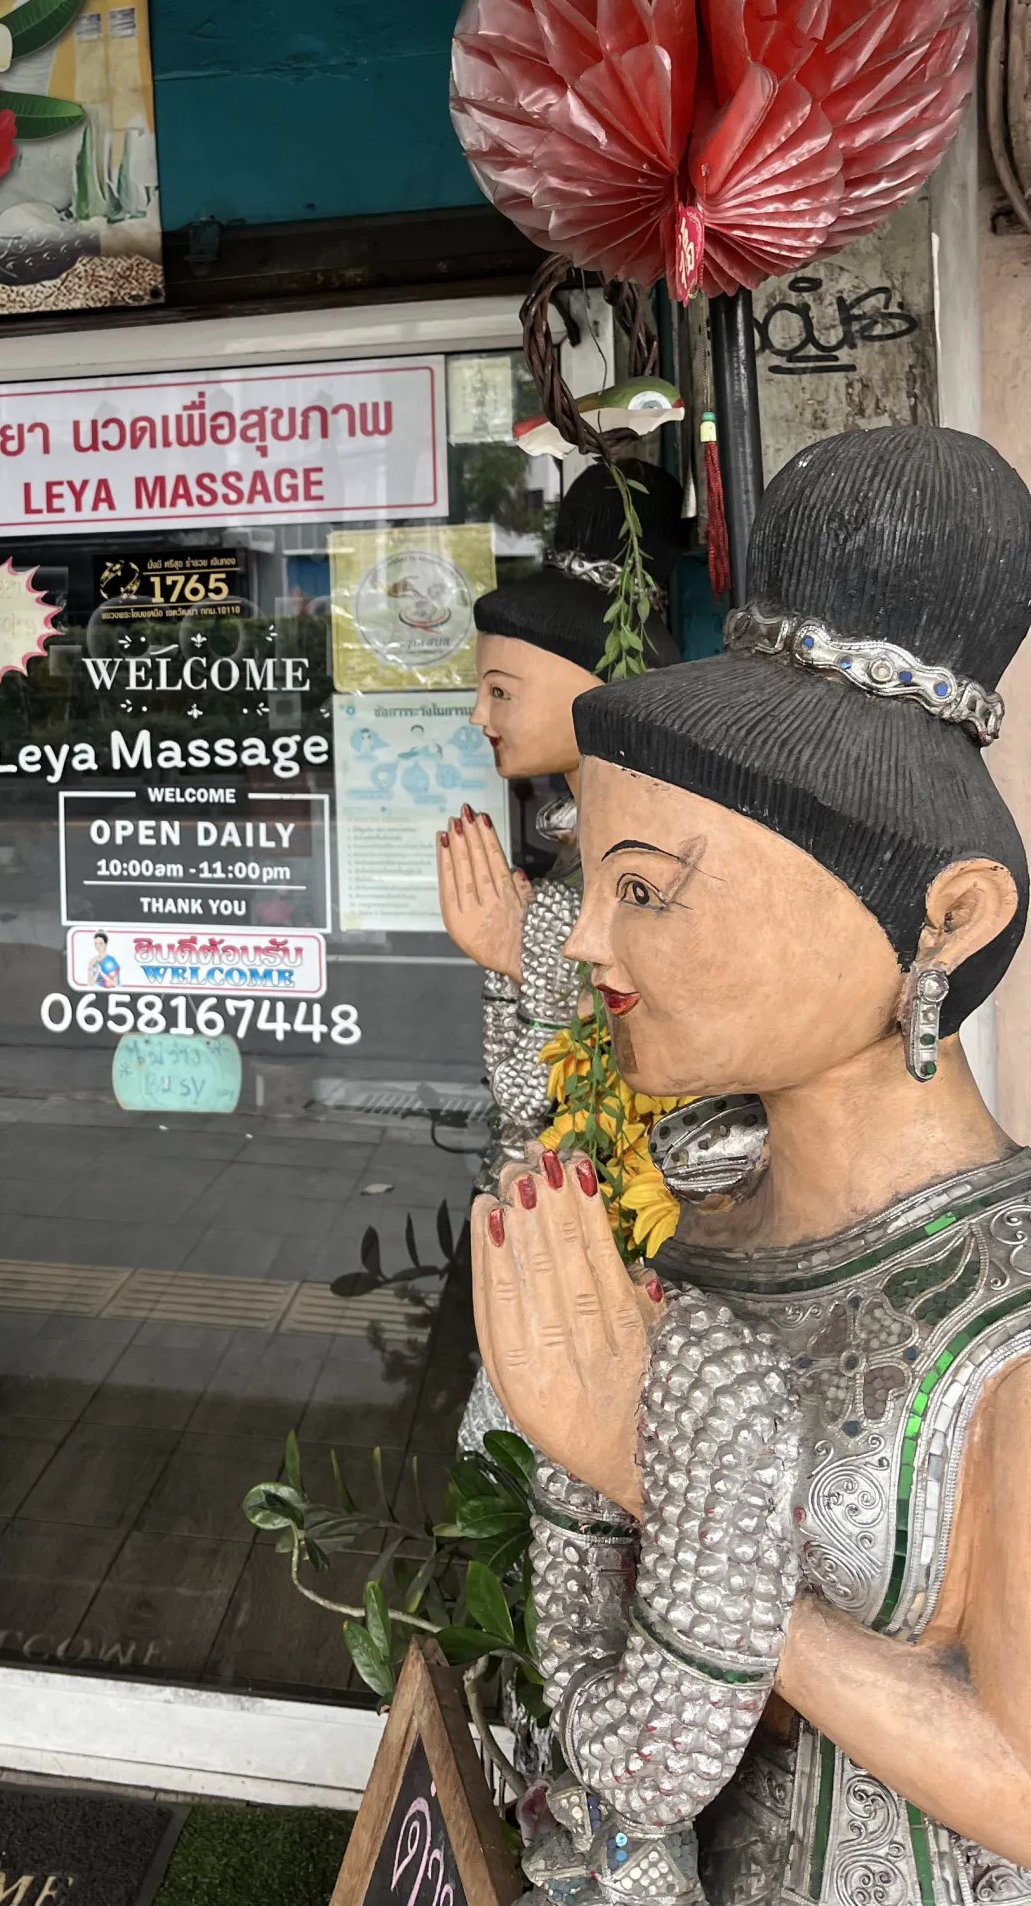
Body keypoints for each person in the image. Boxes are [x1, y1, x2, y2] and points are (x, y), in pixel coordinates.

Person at [473, 425, 1031, 1900]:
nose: (587, 943)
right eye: (596, 883)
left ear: (948, 920)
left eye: (646, 890)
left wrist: (662, 1496)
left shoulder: (1010, 1322)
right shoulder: (699, 1210)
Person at [436, 457, 685, 1169]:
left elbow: (533, 1101)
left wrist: (523, 958)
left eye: (502, 692)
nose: (480, 713)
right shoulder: (586, 841)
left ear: (596, 688)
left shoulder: (641, 863)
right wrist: (509, 959)